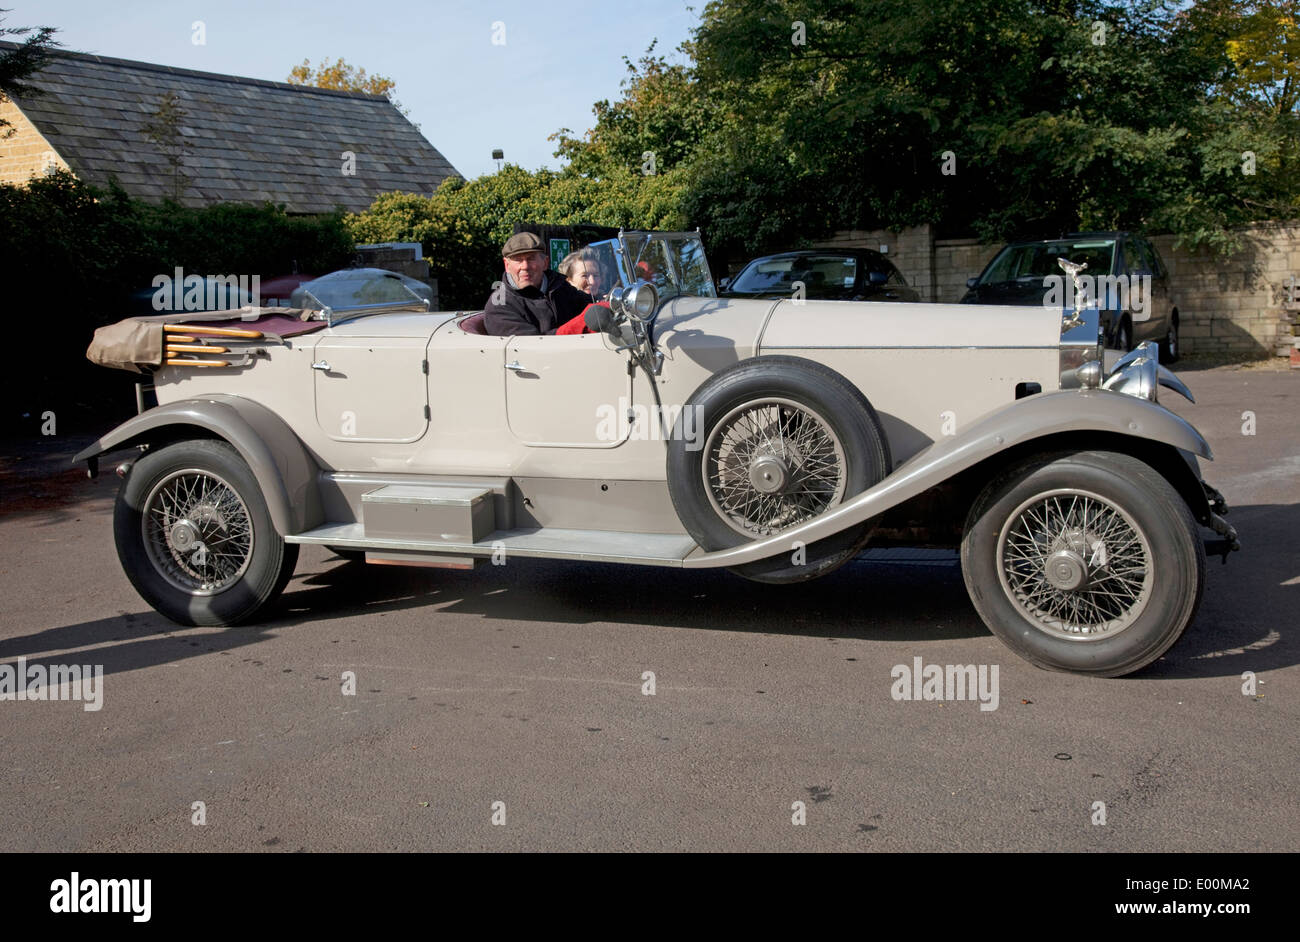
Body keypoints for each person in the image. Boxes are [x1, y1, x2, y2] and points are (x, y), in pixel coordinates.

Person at [483, 233, 592, 336]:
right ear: (507, 265)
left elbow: (589, 305)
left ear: (545, 263)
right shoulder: (499, 304)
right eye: (518, 260)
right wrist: (576, 326)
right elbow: (530, 346)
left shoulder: (559, 287)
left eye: (531, 259)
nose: (525, 266)